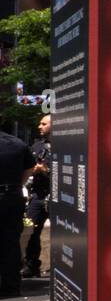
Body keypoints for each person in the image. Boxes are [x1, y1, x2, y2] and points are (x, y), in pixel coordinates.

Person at [0, 128, 36, 297]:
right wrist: (16, 186)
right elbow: (29, 168)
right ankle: (11, 286)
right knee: (11, 241)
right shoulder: (17, 143)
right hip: (12, 197)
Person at [23, 114, 52, 278]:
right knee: (31, 230)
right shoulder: (36, 146)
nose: (39, 126)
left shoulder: (64, 145)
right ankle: (32, 264)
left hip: (56, 194)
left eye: (43, 124)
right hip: (38, 194)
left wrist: (45, 170)